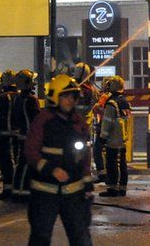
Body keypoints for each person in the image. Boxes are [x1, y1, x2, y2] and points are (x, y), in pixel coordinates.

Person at [25, 74, 93, 246]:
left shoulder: (78, 122)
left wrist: (87, 184)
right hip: (45, 193)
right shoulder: (43, 120)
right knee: (40, 237)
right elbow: (31, 151)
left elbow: (84, 156)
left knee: (82, 239)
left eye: (73, 96)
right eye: (66, 96)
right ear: (55, 96)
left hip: (74, 194)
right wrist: (51, 169)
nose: (70, 100)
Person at [11, 69, 41, 200]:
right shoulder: (30, 99)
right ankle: (24, 192)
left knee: (22, 164)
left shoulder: (18, 98)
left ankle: (18, 190)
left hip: (23, 136)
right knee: (28, 165)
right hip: (30, 137)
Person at [98, 76, 131, 197]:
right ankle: (122, 188)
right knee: (122, 164)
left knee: (112, 164)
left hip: (113, 139)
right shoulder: (124, 101)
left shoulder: (111, 103)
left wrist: (102, 137)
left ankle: (112, 189)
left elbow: (107, 122)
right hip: (123, 139)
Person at [0, 70, 19, 200]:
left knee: (7, 164)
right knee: (17, 163)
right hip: (19, 137)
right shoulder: (20, 96)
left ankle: (8, 191)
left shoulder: (3, 97)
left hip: (5, 136)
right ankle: (17, 189)